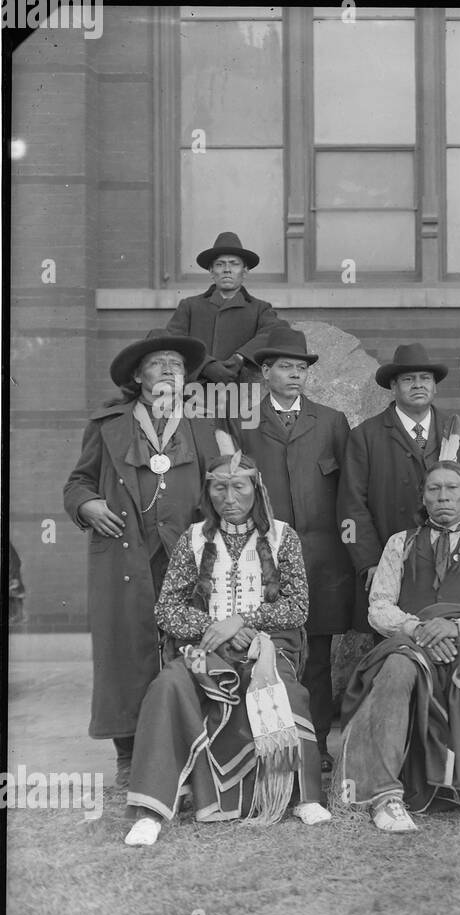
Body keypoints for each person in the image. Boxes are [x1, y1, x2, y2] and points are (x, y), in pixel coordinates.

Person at [122, 453, 331, 846]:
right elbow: (166, 608)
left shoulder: (283, 537)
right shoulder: (194, 539)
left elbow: (298, 606)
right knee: (167, 687)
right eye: (220, 487)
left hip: (266, 646)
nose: (229, 496)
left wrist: (243, 622)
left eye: (239, 486)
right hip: (203, 647)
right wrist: (214, 627)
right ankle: (152, 810)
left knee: (282, 692)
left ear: (256, 489)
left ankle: (298, 795)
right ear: (208, 491)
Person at [63, 330, 226, 783]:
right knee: (126, 651)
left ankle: (187, 743)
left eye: (176, 363)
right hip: (124, 555)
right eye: (158, 363)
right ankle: (128, 750)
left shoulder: (203, 427)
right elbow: (77, 483)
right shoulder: (107, 425)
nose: (169, 370)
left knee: (187, 647)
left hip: (186, 557)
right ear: (138, 376)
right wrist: (87, 505)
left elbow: (223, 488)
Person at [336, 462, 460, 833]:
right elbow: (378, 607)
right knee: (396, 670)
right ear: (423, 497)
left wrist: (456, 627)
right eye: (434, 490)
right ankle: (385, 796)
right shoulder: (400, 543)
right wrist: (421, 629)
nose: (444, 497)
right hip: (415, 637)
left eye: (453, 489)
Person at [229, 326, 354, 774]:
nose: (295, 375)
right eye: (285, 367)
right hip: (259, 555)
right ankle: (263, 745)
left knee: (316, 655)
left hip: (321, 560)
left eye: (301, 368)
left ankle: (316, 745)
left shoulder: (332, 421)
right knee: (261, 649)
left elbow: (348, 489)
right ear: (265, 373)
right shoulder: (243, 422)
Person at [339, 342, 460, 628]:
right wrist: (369, 562)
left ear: (435, 386)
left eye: (425, 378)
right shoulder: (366, 436)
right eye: (408, 379)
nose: (418, 385)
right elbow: (350, 509)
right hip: (390, 567)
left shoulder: (455, 431)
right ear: (393, 387)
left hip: (452, 566)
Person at [164, 231, 279, 384]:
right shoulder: (190, 306)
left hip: (241, 394)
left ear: (245, 271)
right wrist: (205, 365)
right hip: (195, 395)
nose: (227, 269)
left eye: (234, 264)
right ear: (211, 271)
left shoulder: (261, 309)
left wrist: (240, 358)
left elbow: (273, 333)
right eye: (219, 264)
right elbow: (172, 341)